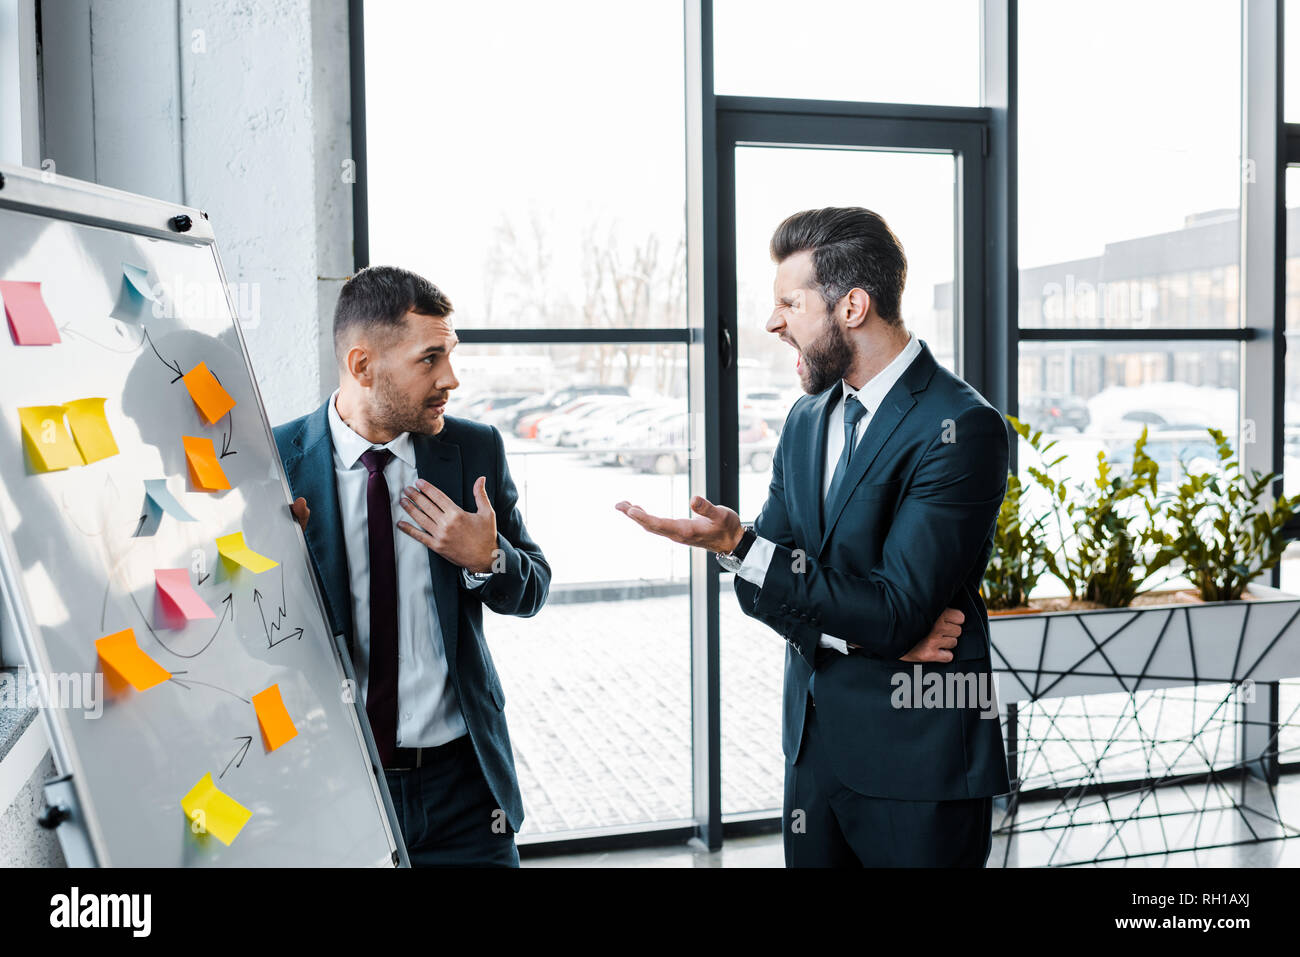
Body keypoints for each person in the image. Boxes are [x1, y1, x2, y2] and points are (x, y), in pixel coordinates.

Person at [617, 207, 1011, 867]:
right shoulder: (805, 419)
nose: (773, 323)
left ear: (852, 305)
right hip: (813, 753)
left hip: (918, 765)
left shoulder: (960, 426)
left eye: (788, 303)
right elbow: (763, 591)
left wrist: (747, 551)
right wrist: (851, 629)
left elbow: (894, 609)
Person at [273, 265, 550, 866]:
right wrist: (271, 573)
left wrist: (488, 558)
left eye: (450, 355)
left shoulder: (473, 450)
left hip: (465, 793)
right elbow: (236, 629)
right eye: (430, 359)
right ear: (362, 365)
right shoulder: (275, 465)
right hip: (334, 786)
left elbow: (534, 588)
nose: (451, 379)